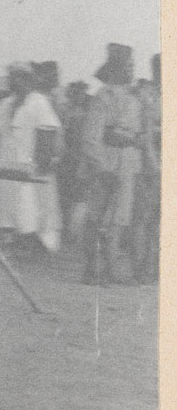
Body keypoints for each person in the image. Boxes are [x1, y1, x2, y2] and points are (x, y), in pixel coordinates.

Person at [79, 43, 142, 285]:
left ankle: (109, 268)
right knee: (96, 218)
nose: (131, 70)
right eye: (127, 66)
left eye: (132, 65)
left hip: (127, 165)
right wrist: (102, 168)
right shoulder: (103, 98)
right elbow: (91, 138)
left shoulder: (134, 99)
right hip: (105, 165)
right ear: (115, 68)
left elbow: (135, 135)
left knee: (119, 220)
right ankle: (91, 270)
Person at [0, 62, 62, 254]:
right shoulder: (6, 104)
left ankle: (32, 243)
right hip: (6, 163)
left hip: (29, 163)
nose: (13, 81)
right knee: (7, 204)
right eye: (11, 76)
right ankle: (11, 240)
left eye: (18, 77)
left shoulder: (39, 102)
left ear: (28, 79)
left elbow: (47, 133)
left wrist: (42, 164)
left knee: (30, 205)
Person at [132, 53, 160, 283]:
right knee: (144, 218)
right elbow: (146, 136)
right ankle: (142, 267)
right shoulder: (146, 97)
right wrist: (153, 164)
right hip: (149, 165)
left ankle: (157, 266)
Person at [55, 80, 90, 241]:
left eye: (81, 93)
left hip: (80, 157)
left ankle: (71, 231)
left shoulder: (86, 112)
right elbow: (61, 135)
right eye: (76, 92)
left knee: (79, 196)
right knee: (65, 196)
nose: (79, 96)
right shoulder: (64, 110)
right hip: (67, 157)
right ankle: (65, 230)